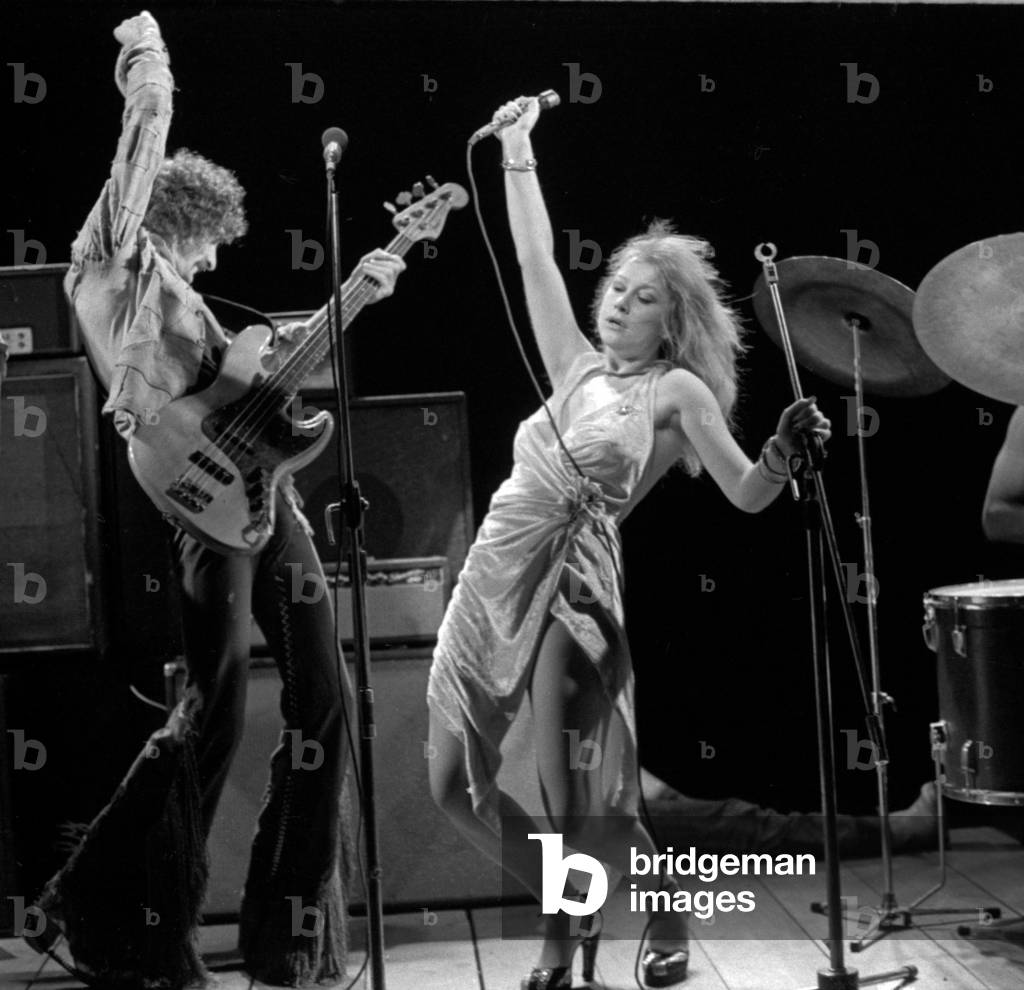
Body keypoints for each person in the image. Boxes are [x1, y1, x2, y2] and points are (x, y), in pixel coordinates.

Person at [25, 11, 405, 988]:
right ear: (176, 219)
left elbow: (255, 393)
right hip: (195, 502)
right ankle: (122, 920)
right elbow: (144, 129)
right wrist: (146, 53)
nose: (211, 264)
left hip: (262, 495)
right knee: (213, 713)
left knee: (324, 701)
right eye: (206, 245)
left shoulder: (190, 304)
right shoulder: (112, 256)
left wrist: (357, 295)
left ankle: (289, 938)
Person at [426, 97, 831, 990]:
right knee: (451, 786)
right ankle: (637, 900)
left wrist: (778, 452)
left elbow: (748, 493)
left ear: (670, 324)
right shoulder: (573, 366)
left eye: (643, 299)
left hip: (575, 588)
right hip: (492, 580)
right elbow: (534, 257)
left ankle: (571, 940)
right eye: (616, 288)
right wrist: (519, 149)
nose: (619, 305)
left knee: (575, 802)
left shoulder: (675, 391)